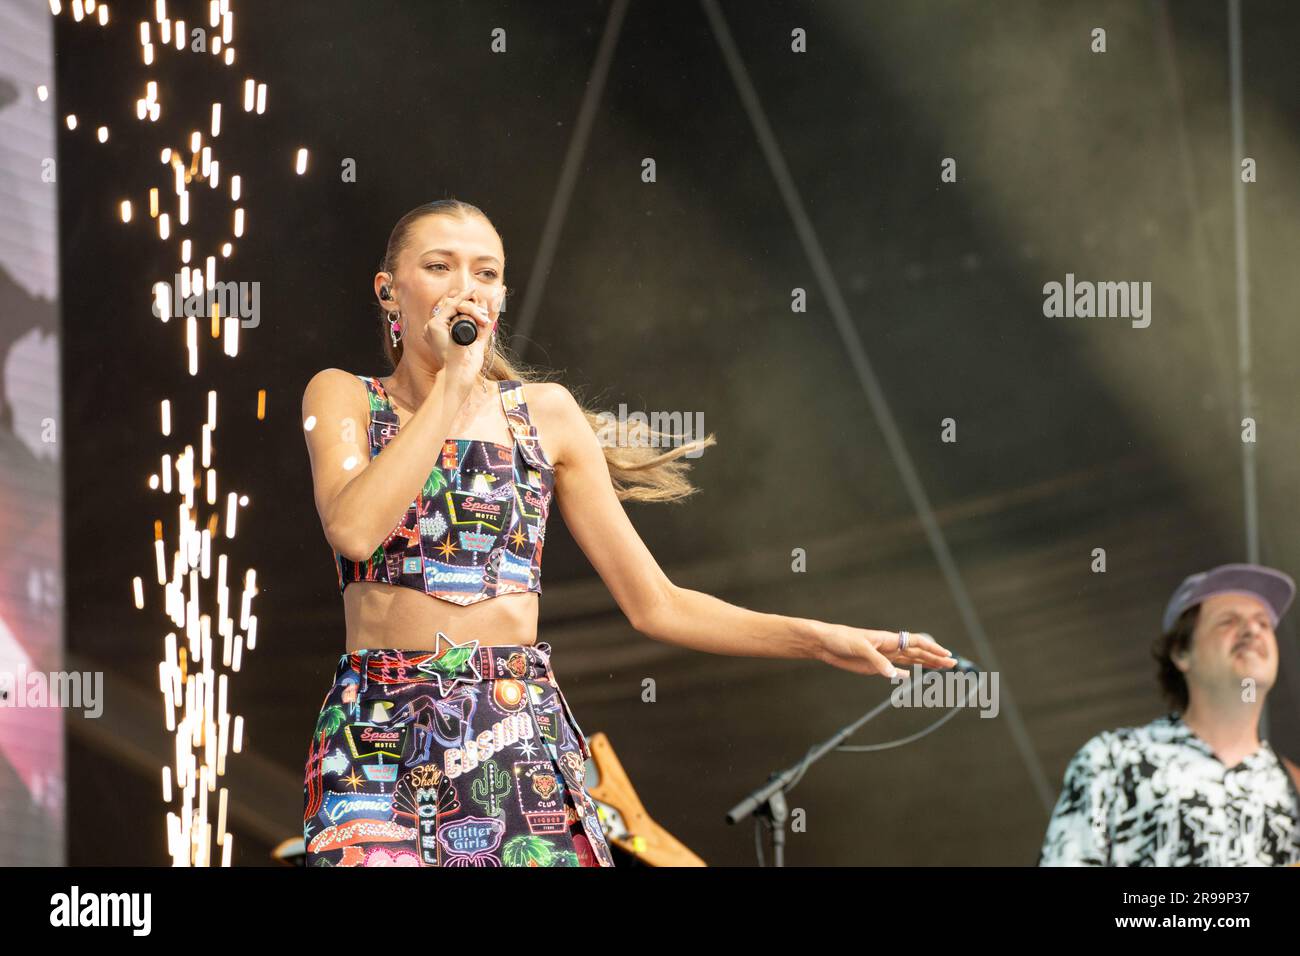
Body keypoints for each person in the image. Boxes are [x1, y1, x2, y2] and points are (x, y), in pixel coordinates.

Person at [300, 199, 957, 867]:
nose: (466, 286)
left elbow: (658, 605)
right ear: (389, 290)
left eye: (487, 272)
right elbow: (354, 529)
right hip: (378, 732)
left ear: (501, 296)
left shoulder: (545, 415)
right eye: (439, 266)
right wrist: (452, 388)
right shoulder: (344, 396)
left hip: (509, 728)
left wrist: (818, 638)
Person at [1039, 563, 1300, 866]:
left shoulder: (1293, 785)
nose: (1253, 630)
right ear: (1181, 653)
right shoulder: (1113, 759)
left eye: (1264, 624)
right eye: (1228, 621)